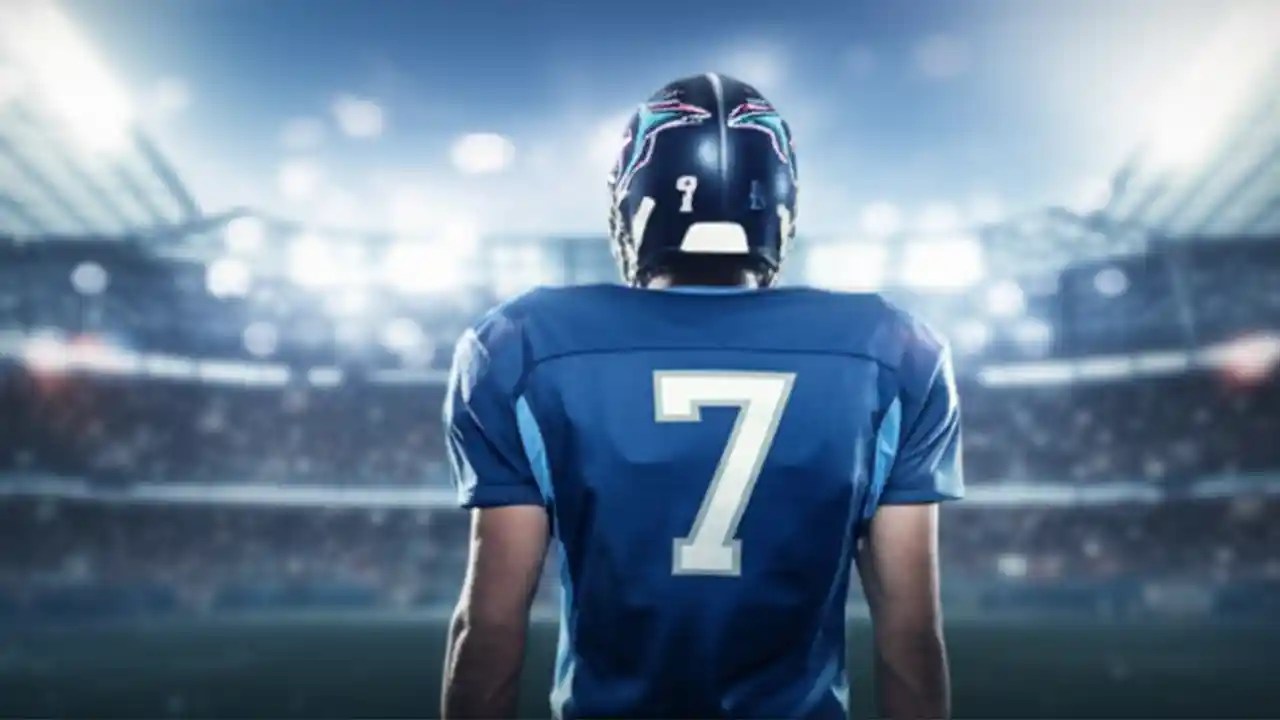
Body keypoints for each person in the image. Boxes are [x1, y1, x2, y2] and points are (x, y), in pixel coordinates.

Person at [441, 73, 963, 720]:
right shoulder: (893, 350)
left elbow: (489, 629)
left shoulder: (523, 344)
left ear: (634, 203)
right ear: (778, 206)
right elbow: (910, 636)